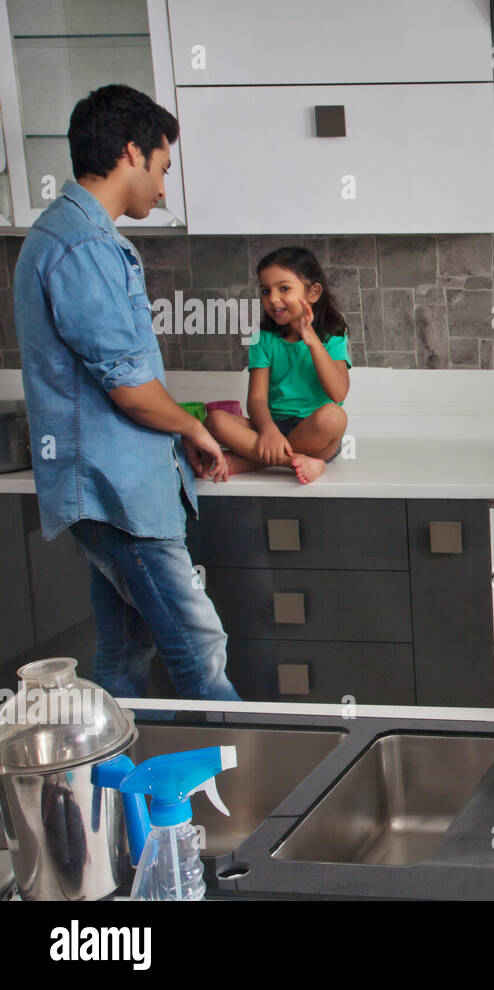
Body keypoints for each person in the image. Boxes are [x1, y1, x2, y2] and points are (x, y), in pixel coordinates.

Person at [13, 84, 239, 701]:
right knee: (201, 652)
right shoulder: (83, 246)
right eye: (163, 168)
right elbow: (132, 392)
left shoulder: (74, 236)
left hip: (116, 491)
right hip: (120, 495)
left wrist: (176, 439)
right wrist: (193, 428)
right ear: (132, 152)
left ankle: (108, 789)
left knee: (124, 647)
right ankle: (268, 794)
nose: (164, 188)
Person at [205, 247, 351, 484]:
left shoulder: (332, 335)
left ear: (313, 293)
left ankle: (251, 461)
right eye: (265, 290)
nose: (272, 298)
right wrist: (269, 430)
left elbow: (338, 392)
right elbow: (257, 400)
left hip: (315, 435)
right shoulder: (261, 338)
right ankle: (292, 462)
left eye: (284, 288)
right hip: (271, 427)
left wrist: (311, 338)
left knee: (334, 417)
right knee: (215, 420)